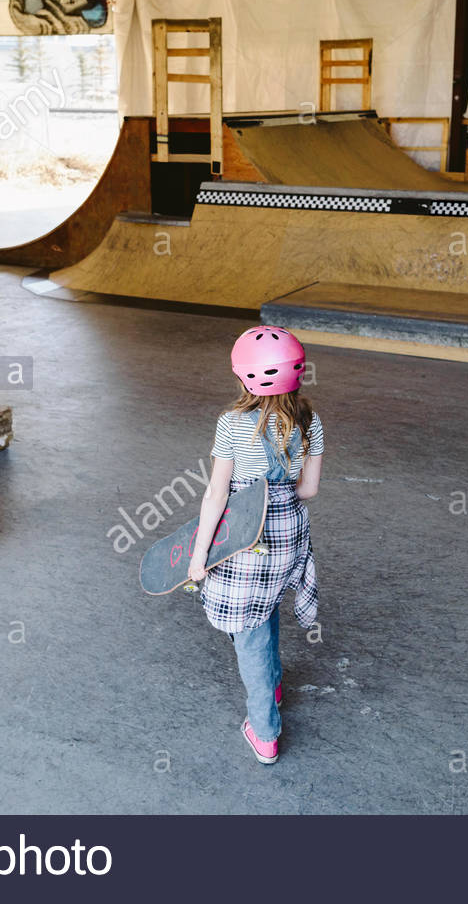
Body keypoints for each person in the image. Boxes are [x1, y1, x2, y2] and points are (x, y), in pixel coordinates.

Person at [187, 326, 324, 765]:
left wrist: (197, 557)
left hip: (247, 539)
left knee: (247, 631)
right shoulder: (310, 420)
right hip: (289, 538)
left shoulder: (230, 424)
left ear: (242, 376)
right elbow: (309, 491)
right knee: (268, 607)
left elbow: (216, 495)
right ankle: (277, 681)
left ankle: (264, 731)